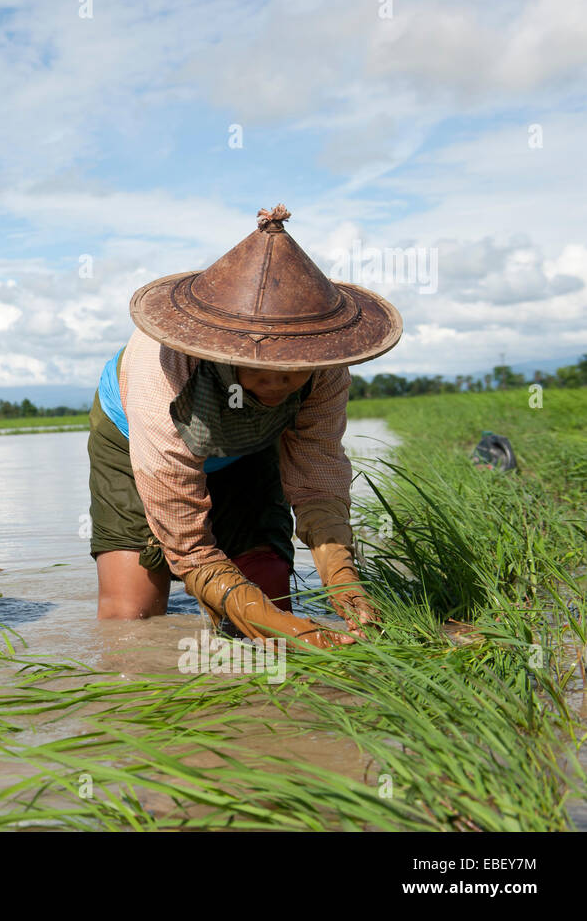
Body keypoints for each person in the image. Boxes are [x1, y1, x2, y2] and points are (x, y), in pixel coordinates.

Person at [87, 205, 403, 646]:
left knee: (269, 600)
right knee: (132, 621)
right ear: (224, 354)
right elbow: (188, 543)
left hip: (250, 447)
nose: (277, 383)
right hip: (133, 444)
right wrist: (284, 628)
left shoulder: (325, 366)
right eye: (261, 369)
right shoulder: (161, 373)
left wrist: (342, 580)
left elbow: (317, 477)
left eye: (291, 371)